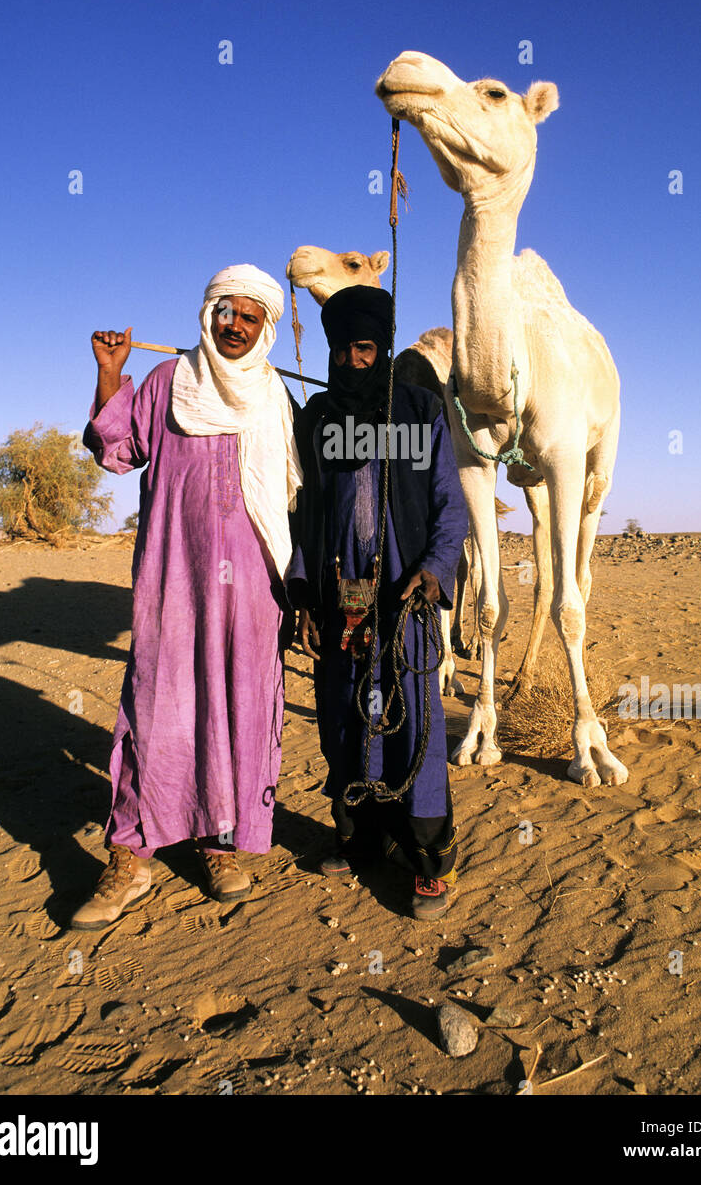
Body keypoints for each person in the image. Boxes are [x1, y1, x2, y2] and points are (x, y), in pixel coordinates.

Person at [71, 265, 302, 930]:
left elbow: (293, 491)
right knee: (154, 703)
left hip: (253, 587)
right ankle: (130, 857)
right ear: (208, 316)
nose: (233, 325)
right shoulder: (167, 382)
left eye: (248, 317)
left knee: (239, 706)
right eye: (224, 312)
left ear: (265, 328)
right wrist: (111, 372)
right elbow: (116, 451)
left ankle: (220, 843)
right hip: (173, 577)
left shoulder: (272, 396)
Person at [287, 287, 468, 920]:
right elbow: (306, 515)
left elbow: (452, 504)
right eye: (342, 349)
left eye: (365, 348)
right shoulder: (317, 420)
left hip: (406, 597)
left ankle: (426, 858)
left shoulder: (421, 409)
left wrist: (436, 570)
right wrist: (304, 594)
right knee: (347, 720)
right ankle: (361, 838)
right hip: (342, 603)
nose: (353, 360)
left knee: (413, 721)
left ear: (383, 349)